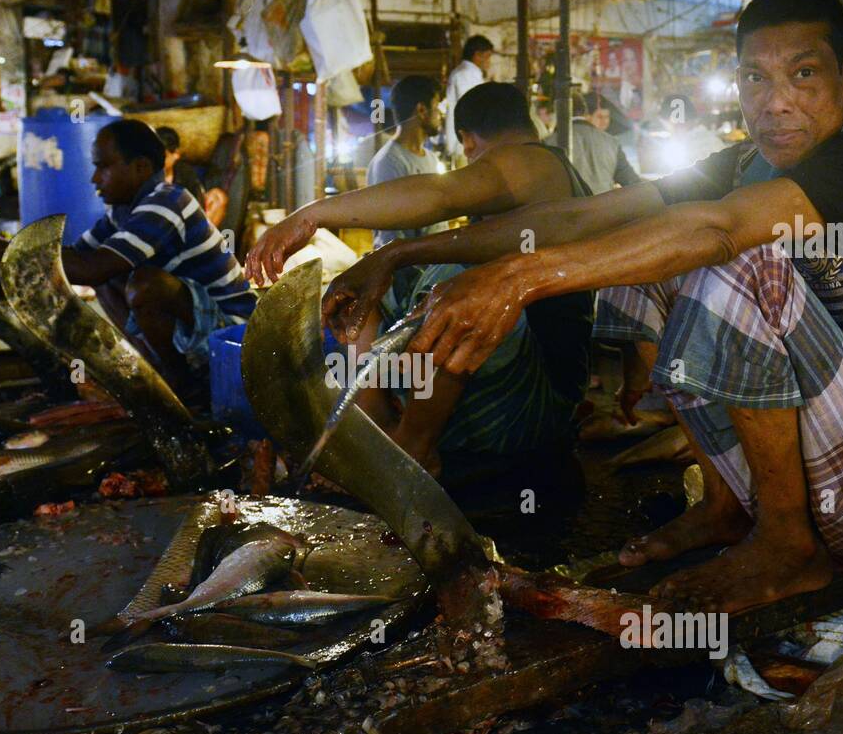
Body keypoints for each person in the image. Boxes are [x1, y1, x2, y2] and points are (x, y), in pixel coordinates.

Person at [395, 0, 843, 613]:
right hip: (815, 480)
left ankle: (788, 547)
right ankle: (727, 506)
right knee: (646, 248)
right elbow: (583, 218)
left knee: (734, 254)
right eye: (755, 78)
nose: (775, 103)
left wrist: (519, 280)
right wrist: (404, 254)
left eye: (803, 74)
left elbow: (721, 232)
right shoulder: (743, 165)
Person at [247, 82, 595, 476]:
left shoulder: (535, 163)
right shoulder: (538, 173)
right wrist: (383, 261)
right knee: (363, 286)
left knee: (458, 282)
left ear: (467, 139)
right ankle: (375, 425)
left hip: (537, 408)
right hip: (500, 401)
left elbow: (440, 195)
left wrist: (311, 215)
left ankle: (411, 450)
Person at [62, 120, 255, 391]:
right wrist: (1, 249)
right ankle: (156, 371)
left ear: (140, 167)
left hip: (236, 333)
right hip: (198, 326)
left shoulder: (167, 201)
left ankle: (181, 387)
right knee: (108, 278)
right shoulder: (122, 211)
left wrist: (8, 251)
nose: (95, 179)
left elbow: (91, 267)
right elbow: (77, 257)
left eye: (104, 167)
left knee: (146, 285)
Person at [367, 75, 446, 303]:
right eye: (436, 108)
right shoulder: (389, 162)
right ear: (421, 110)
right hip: (405, 282)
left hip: (431, 272)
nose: (440, 115)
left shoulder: (430, 159)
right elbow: (391, 238)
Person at [545, 90, 642, 194]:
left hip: (566, 209)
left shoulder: (548, 143)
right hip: (603, 208)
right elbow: (632, 183)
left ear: (557, 112)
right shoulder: (611, 142)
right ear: (585, 112)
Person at [442, 35, 493, 165]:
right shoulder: (465, 74)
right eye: (488, 57)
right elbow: (472, 111)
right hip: (466, 146)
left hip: (469, 144)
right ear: (477, 55)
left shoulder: (468, 73)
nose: (489, 62)